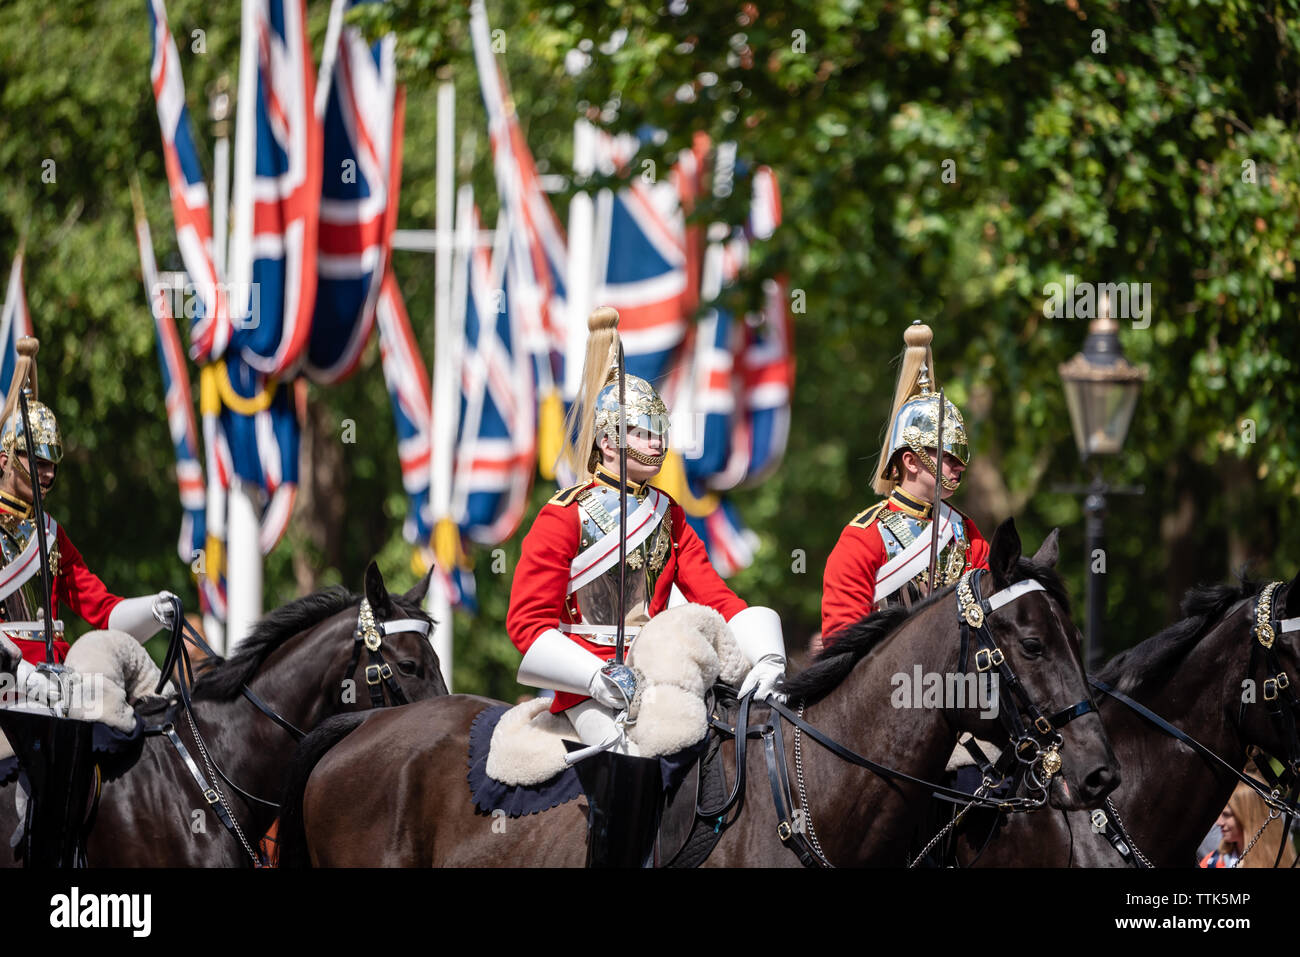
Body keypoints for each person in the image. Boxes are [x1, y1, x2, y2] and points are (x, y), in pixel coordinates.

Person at [507, 308, 786, 754]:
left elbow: (714, 597)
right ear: (608, 439)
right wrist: (594, 678)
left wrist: (767, 655)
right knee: (628, 766)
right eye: (644, 434)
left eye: (660, 432)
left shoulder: (667, 513)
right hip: (586, 687)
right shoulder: (564, 515)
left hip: (661, 677)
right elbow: (527, 622)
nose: (658, 444)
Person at [0, 338, 176, 666]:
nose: (48, 474)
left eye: (52, 463)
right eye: (37, 462)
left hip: (56, 679)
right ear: (4, 460)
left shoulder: (51, 533)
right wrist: (20, 673)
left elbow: (103, 612)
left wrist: (152, 609)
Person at [821, 321, 990, 645]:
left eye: (960, 456)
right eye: (947, 456)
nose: (959, 466)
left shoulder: (967, 534)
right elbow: (842, 645)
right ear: (911, 461)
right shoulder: (864, 538)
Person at [1201, 776, 1298, 868]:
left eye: (1226, 815)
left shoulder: (1281, 862)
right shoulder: (1211, 862)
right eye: (1219, 814)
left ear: (1249, 817)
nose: (1219, 822)